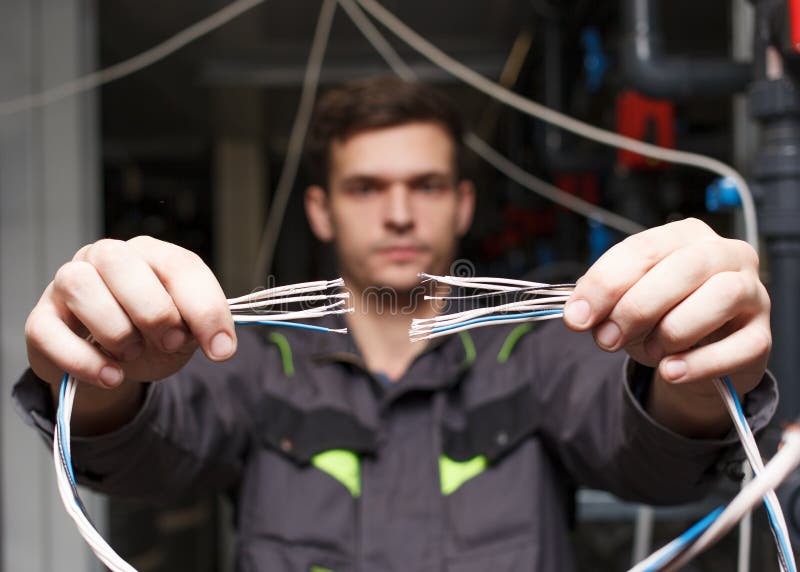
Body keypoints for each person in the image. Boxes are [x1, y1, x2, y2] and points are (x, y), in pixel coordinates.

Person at [15, 77, 776, 571]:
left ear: (463, 205)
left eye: (427, 185)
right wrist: (100, 372)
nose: (401, 213)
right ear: (321, 210)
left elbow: (652, 461)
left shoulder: (536, 350)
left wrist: (697, 372)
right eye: (367, 187)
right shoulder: (255, 361)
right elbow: (145, 454)